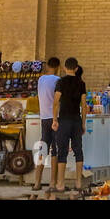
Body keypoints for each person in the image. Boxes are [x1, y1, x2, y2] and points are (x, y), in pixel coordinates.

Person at [51, 56, 88, 195]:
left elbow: (55, 103)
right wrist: (83, 123)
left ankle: (60, 184)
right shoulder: (81, 83)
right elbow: (84, 106)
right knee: (78, 150)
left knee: (62, 151)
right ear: (76, 68)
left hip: (64, 121)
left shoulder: (61, 82)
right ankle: (78, 183)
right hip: (76, 121)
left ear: (65, 68)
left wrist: (55, 120)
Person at [32, 57, 61, 191]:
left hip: (44, 118)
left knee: (43, 148)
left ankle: (37, 182)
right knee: (55, 150)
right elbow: (58, 101)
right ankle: (52, 183)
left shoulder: (41, 79)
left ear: (48, 66)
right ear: (58, 67)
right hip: (55, 118)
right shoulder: (57, 80)